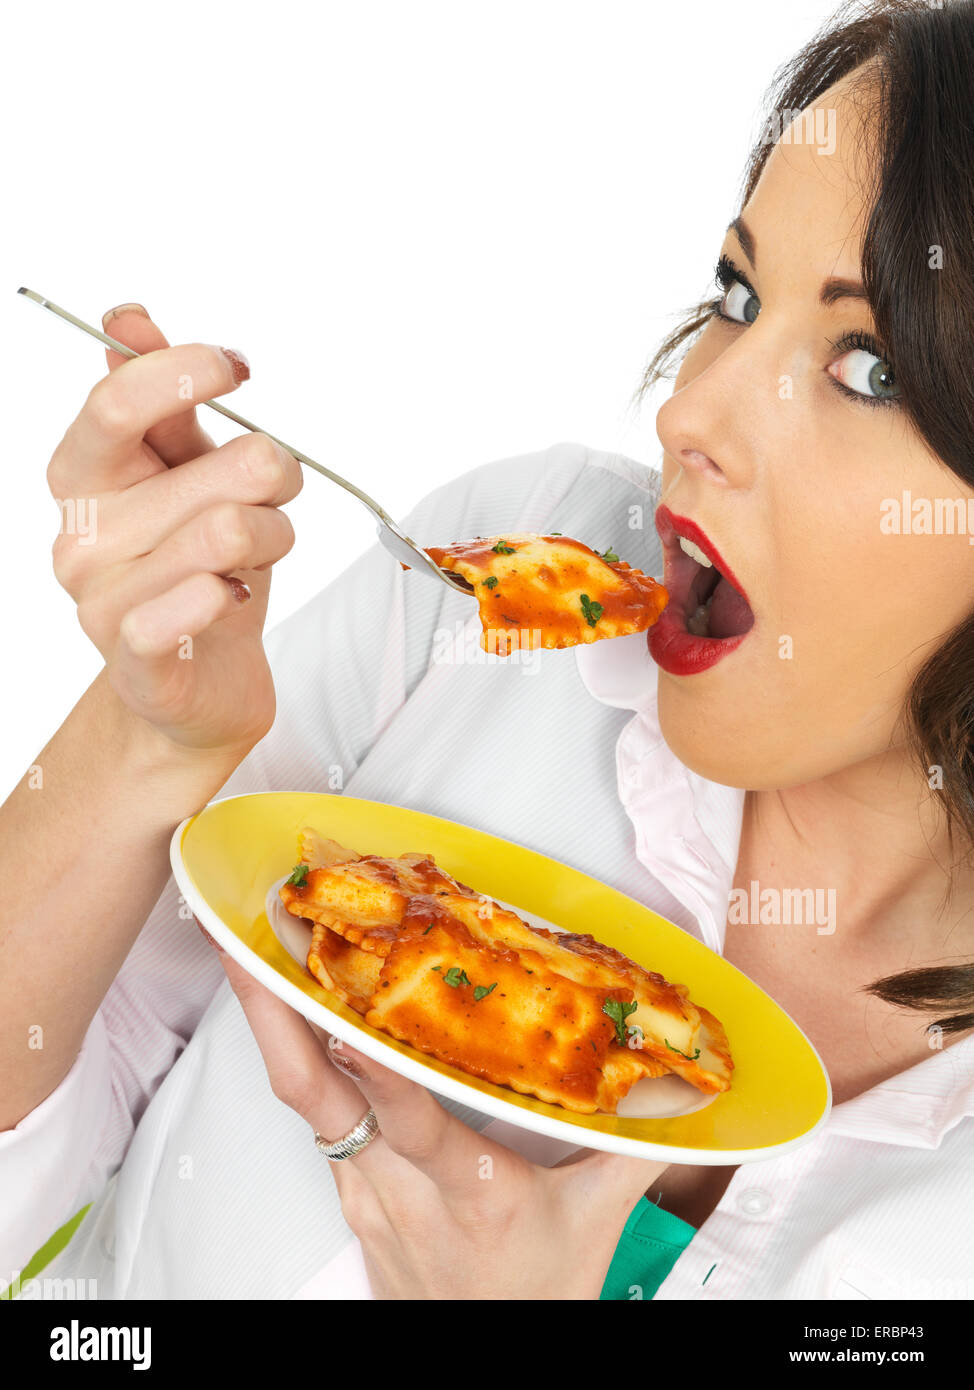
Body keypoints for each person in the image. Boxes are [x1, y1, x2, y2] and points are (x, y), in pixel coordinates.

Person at [3, 0, 974, 1301]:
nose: (687, 409)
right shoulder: (500, 572)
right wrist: (148, 742)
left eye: (869, 368)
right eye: (736, 296)